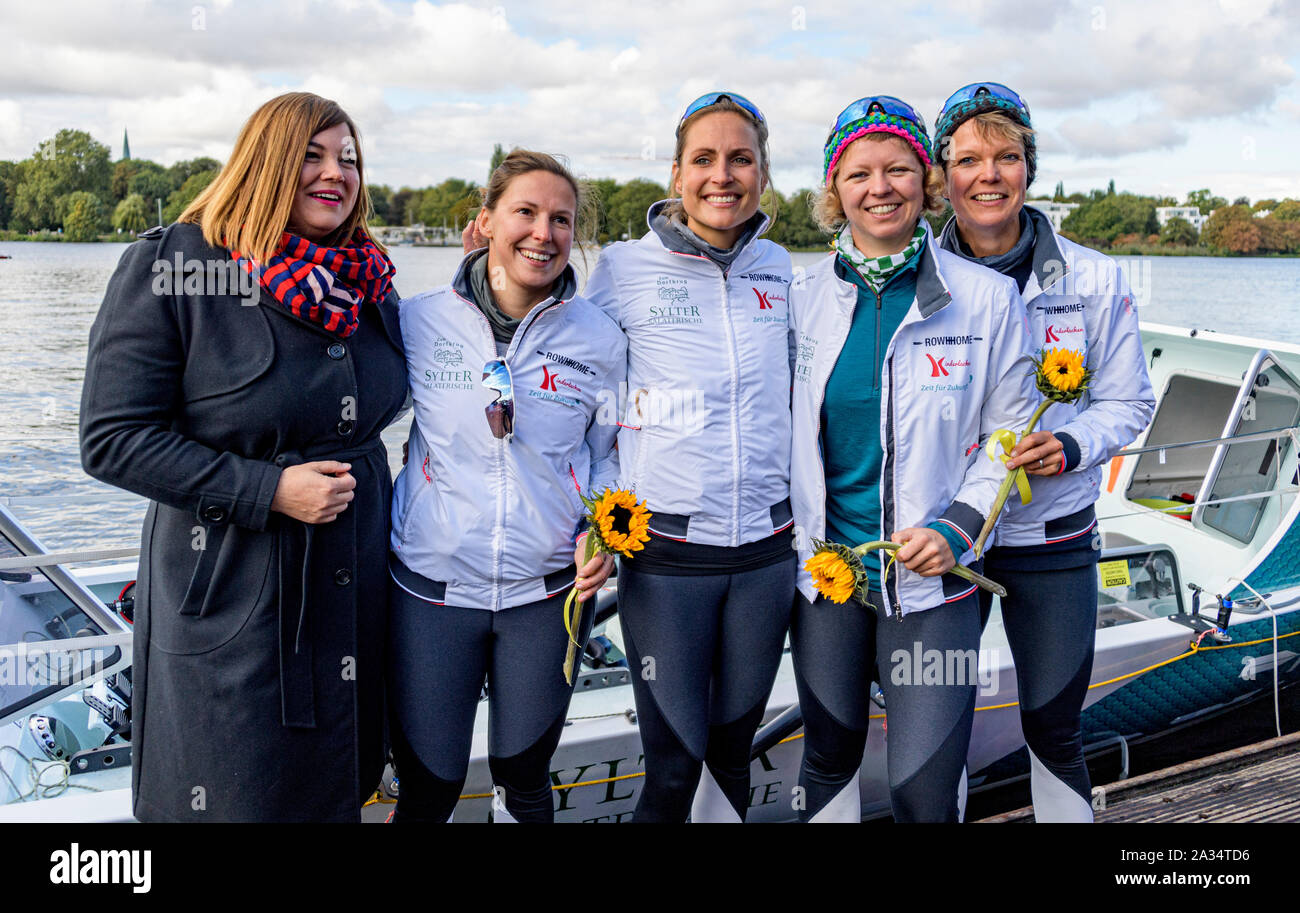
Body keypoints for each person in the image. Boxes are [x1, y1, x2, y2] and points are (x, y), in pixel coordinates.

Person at [80, 92, 405, 822]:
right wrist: (267, 488)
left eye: (348, 158)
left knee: (339, 794)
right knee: (237, 795)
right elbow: (111, 438)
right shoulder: (177, 264)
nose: (335, 173)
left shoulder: (367, 279)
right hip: (234, 603)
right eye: (311, 156)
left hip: (353, 601)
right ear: (265, 162)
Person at [788, 95, 1036, 822]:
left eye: (898, 168)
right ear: (835, 190)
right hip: (828, 579)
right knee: (828, 763)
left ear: (925, 180)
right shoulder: (797, 298)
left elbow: (1010, 439)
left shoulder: (986, 299)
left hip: (936, 585)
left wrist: (957, 527)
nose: (880, 187)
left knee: (923, 789)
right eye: (858, 172)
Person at [933, 82, 1155, 822]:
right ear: (942, 174)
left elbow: (1129, 404)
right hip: (950, 544)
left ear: (1030, 167)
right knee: (938, 735)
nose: (988, 175)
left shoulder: (1095, 277)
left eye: (1007, 156)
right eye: (968, 159)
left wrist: (1070, 442)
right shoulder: (915, 280)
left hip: (1053, 541)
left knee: (1055, 728)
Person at [387, 149, 625, 823]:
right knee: (429, 786)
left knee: (523, 776)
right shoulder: (418, 321)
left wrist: (601, 530)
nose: (542, 233)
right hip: (432, 593)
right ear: (486, 221)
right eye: (525, 212)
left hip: (544, 595)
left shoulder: (600, 339)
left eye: (560, 219)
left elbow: (611, 456)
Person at [581, 92, 795, 822]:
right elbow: (589, 409)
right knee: (674, 770)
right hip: (667, 558)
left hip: (768, 555)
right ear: (677, 173)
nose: (722, 175)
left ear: (762, 175)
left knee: (732, 759)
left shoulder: (782, 269)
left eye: (741, 159)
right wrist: (604, 518)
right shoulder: (621, 269)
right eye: (704, 159)